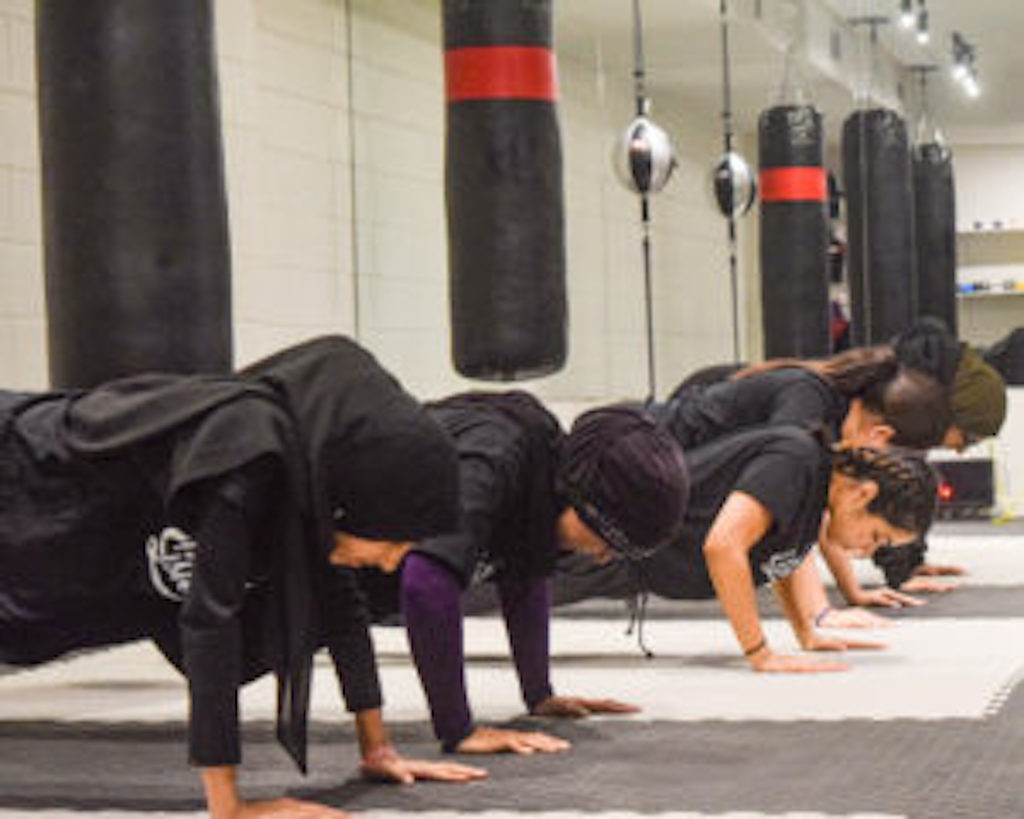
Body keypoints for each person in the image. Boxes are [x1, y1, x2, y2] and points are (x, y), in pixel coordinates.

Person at [0, 336, 486, 819]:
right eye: (395, 543)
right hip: (25, 481)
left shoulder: (306, 477)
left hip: (70, 550)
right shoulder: (247, 456)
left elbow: (342, 608)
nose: (390, 563)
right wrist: (229, 808)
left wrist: (378, 750)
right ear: (369, 501)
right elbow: (211, 621)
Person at [355, 394, 691, 755]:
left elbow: (525, 571)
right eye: (613, 543)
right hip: (317, 553)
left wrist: (539, 694)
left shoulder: (540, 467)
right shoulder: (494, 458)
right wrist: (458, 730)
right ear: (585, 503)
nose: (605, 558)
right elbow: (427, 582)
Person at [553, 425, 939, 671]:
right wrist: (759, 653)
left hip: (633, 562)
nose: (867, 551)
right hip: (602, 543)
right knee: (521, 586)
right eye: (876, 536)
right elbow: (723, 546)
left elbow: (780, 558)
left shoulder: (815, 493)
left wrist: (806, 633)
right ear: (863, 494)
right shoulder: (796, 461)